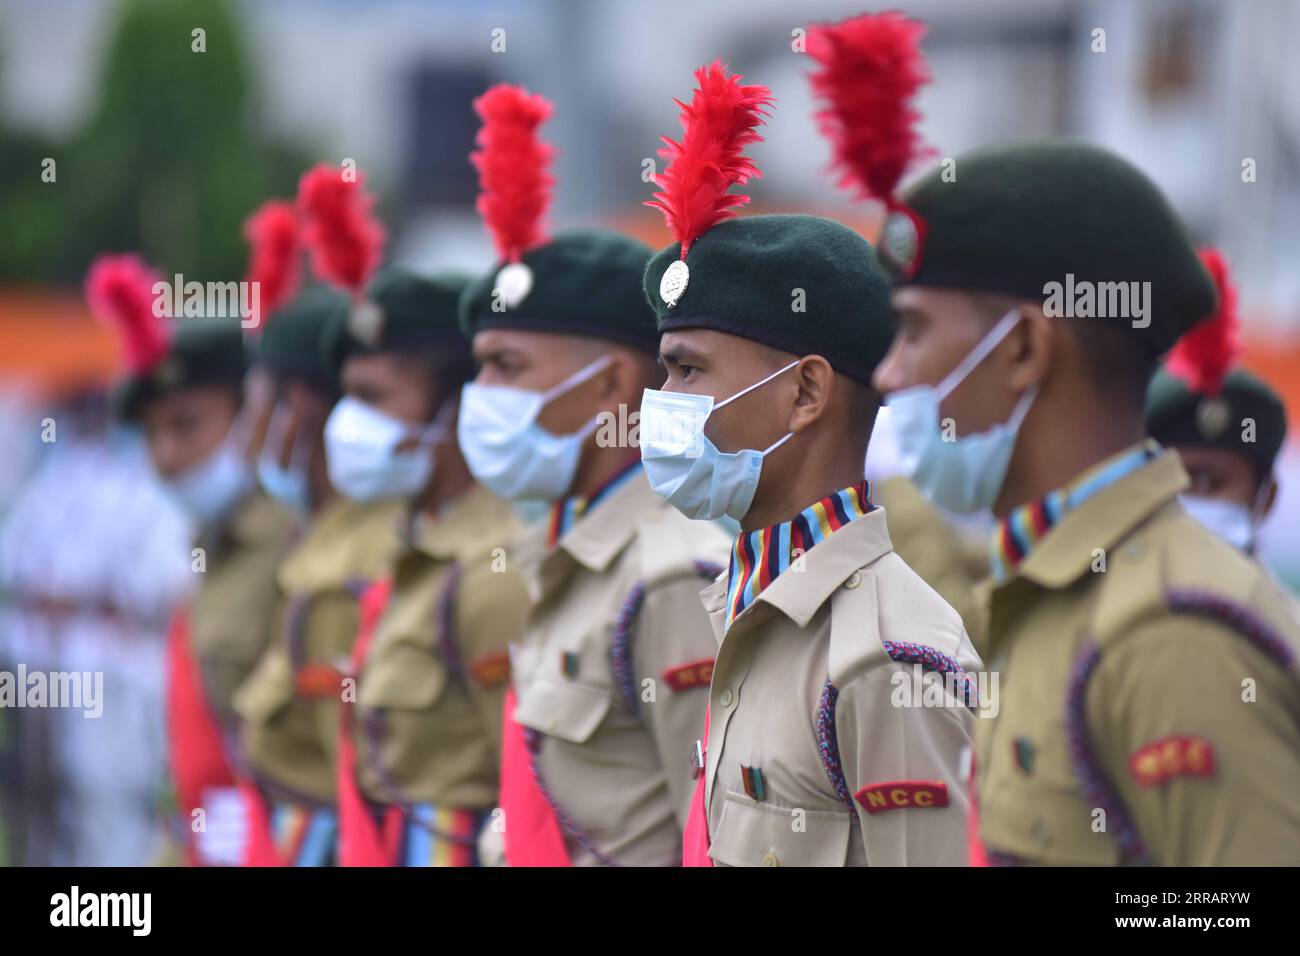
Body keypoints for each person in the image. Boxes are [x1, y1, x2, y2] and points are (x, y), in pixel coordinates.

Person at [867, 136, 1300, 864]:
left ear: (1024, 350)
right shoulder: (1049, 590)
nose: (887, 373)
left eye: (913, 330)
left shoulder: (1168, 631)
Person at [639, 61, 980, 867]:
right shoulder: (737, 602)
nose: (661, 402)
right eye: (664, 372)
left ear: (805, 394)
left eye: (689, 371)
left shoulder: (888, 657)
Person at [458, 83, 729, 866]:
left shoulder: (673, 575)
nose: (481, 399)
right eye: (478, 371)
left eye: (507, 368)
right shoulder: (562, 551)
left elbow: (704, 839)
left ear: (612, 387)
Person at [85, 250, 298, 866]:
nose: (166, 455)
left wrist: (276, 817)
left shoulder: (292, 541)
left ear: (252, 417)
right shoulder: (210, 540)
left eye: (187, 425)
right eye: (152, 434)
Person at [323, 266, 530, 866]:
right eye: (347, 394)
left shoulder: (494, 569)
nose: (347, 424)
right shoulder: (412, 546)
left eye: (373, 398)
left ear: (454, 410)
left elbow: (523, 791)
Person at [233, 170, 403, 866]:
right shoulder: (315, 535)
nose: (249, 427)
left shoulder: (370, 555)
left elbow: (361, 771)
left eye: (259, 401)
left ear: (299, 406)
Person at [1145, 249, 1288, 555]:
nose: (1186, 504)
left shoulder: (1280, 605)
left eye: (1208, 483)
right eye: (1167, 483)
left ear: (1265, 499)